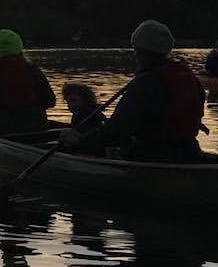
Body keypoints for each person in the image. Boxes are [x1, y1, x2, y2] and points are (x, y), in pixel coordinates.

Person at [62, 19, 205, 162]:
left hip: (154, 156)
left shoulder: (144, 82)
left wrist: (80, 140)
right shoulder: (190, 78)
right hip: (191, 152)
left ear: (139, 51)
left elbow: (117, 129)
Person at [0, 29, 56, 134]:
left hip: (4, 128)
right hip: (37, 127)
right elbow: (50, 101)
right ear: (19, 48)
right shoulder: (34, 70)